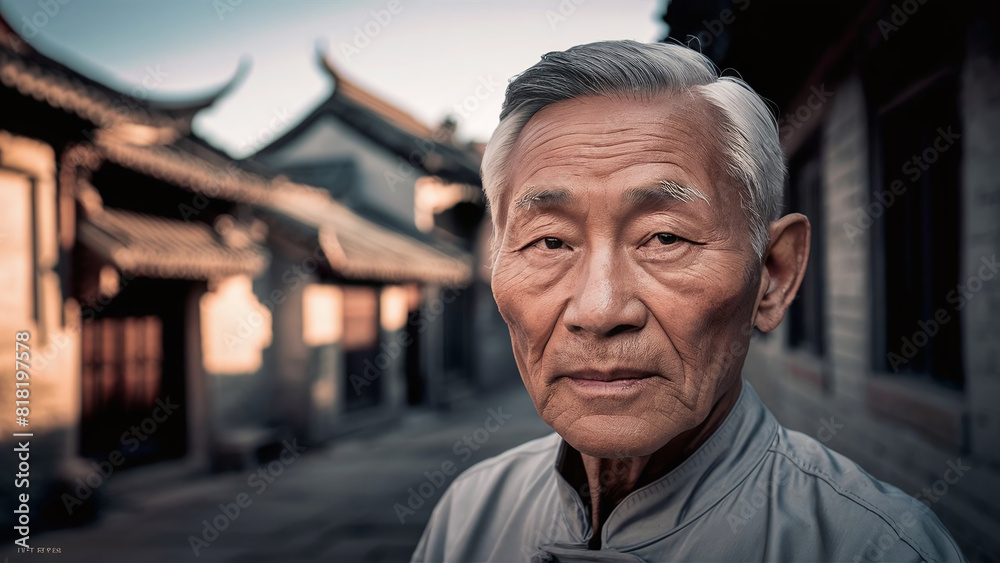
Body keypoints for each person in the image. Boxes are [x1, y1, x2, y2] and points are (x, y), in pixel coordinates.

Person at [412, 40, 966, 562]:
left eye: (665, 238)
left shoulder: (879, 546)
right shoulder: (469, 518)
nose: (599, 311)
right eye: (550, 242)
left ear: (772, 276)